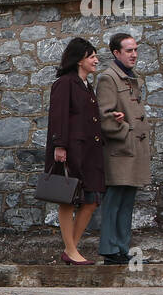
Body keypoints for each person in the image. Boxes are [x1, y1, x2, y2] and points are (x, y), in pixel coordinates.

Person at [45, 38, 116, 265]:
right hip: (71, 150)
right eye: (91, 56)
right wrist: (59, 145)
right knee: (67, 198)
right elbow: (58, 115)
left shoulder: (86, 86)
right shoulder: (64, 83)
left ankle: (70, 249)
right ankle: (71, 250)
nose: (96, 60)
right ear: (79, 60)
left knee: (92, 199)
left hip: (90, 151)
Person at [95, 32, 152, 265]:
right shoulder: (109, 78)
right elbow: (104, 116)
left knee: (127, 202)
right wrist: (126, 130)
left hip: (133, 151)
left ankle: (121, 249)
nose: (134, 54)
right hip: (119, 152)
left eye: (135, 50)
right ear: (116, 53)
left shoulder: (131, 77)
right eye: (129, 50)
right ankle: (110, 250)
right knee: (114, 201)